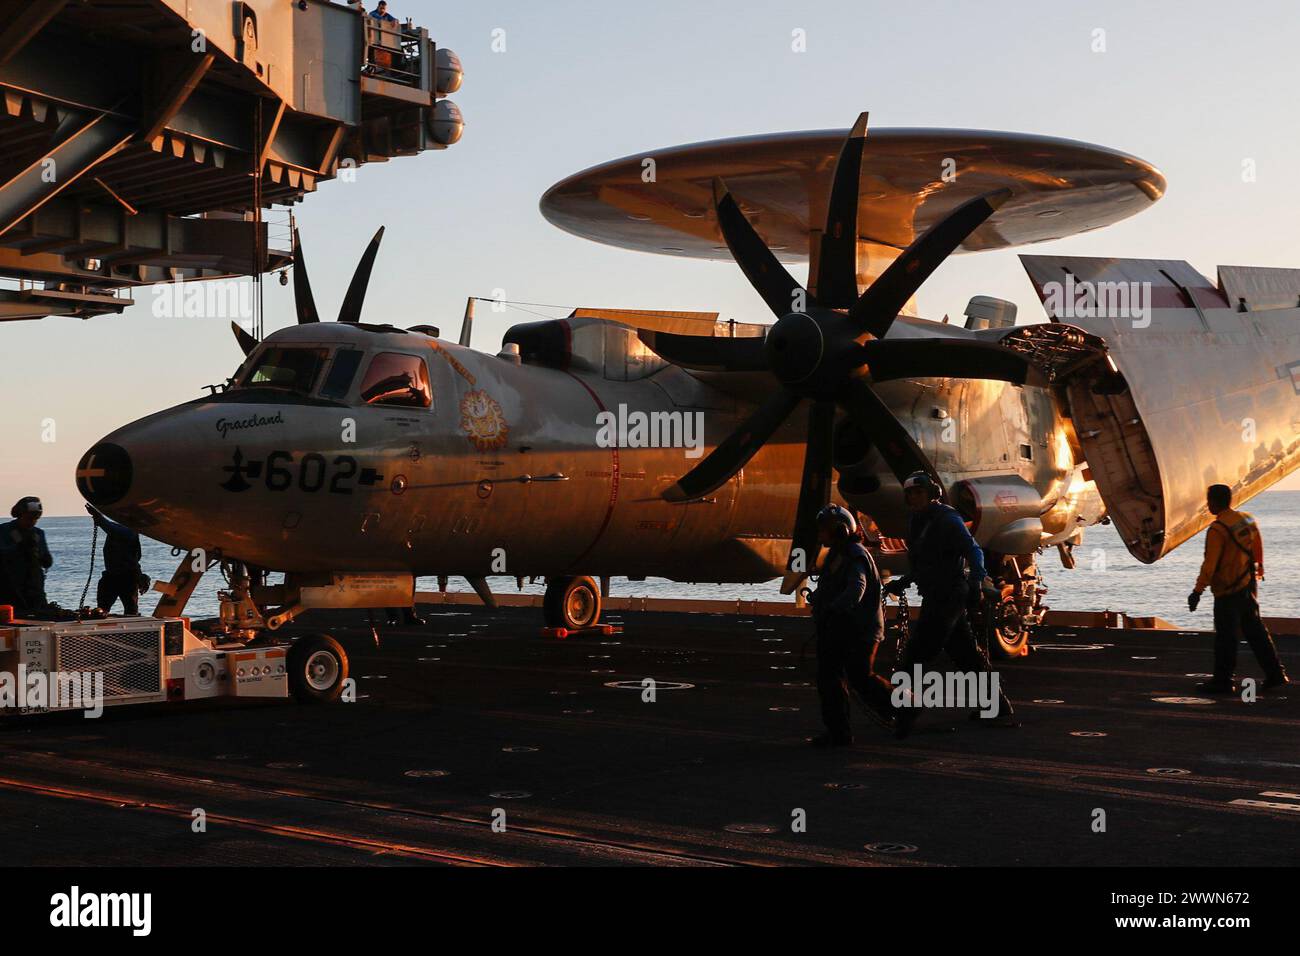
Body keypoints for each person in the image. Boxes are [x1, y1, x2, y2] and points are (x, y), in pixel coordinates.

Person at [884, 472, 1015, 739]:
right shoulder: (918, 521)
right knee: (965, 655)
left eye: (918, 492)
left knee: (917, 655)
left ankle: (904, 713)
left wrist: (977, 582)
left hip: (949, 596)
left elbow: (974, 551)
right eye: (909, 493)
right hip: (936, 594)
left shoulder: (947, 518)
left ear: (932, 493)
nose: (913, 497)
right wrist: (905, 581)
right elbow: (927, 562)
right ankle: (996, 707)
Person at [806, 504, 896, 746]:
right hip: (841, 628)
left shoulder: (854, 554)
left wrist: (835, 607)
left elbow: (857, 587)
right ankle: (838, 732)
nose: (820, 535)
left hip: (858, 629)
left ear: (840, 530)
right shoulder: (839, 554)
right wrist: (819, 598)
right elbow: (835, 586)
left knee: (860, 677)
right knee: (831, 679)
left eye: (824, 530)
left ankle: (905, 708)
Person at [1187, 484, 1289, 693]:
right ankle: (1276, 674)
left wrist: (1197, 591)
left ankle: (1223, 682)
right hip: (1247, 586)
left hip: (1227, 591)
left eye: (1209, 501)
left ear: (1213, 502)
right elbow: (1257, 545)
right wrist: (1259, 568)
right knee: (1257, 633)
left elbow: (1210, 565)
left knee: (1226, 638)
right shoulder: (1247, 519)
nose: (1208, 505)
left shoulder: (1218, 529)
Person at [86, 504, 145, 615]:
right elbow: (111, 526)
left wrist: (99, 517)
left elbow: (111, 528)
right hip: (113, 576)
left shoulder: (129, 532)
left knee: (130, 610)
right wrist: (99, 518)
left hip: (127, 577)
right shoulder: (125, 529)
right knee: (103, 609)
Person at [0, 496, 53, 614]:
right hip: (9, 589)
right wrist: (19, 548)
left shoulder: (38, 534)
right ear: (19, 514)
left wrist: (43, 556)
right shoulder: (4, 531)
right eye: (29, 518)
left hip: (35, 590)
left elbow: (47, 561)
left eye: (35, 519)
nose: (32, 522)